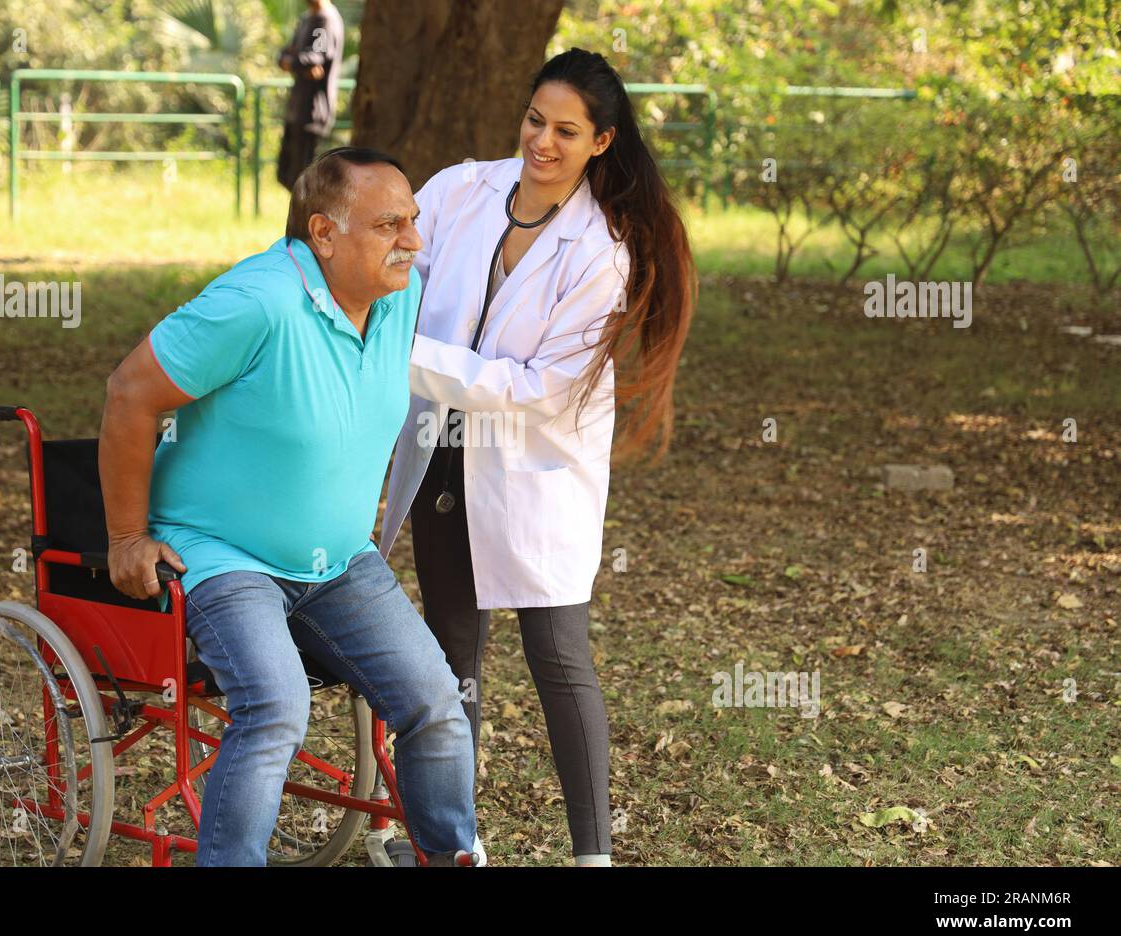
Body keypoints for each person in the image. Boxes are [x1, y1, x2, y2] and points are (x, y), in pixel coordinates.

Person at [99, 146, 479, 867]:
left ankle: (446, 856)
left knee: (437, 701)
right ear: (324, 233)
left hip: (338, 559)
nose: (414, 241)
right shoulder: (257, 302)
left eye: (415, 221)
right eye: (390, 225)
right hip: (222, 554)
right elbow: (129, 392)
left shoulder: (400, 296)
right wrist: (126, 536)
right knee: (276, 706)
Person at [379, 48, 697, 867]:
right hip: (442, 452)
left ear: (601, 142)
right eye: (534, 120)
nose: (542, 143)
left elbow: (536, 389)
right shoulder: (460, 189)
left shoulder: (602, 250)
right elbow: (389, 264)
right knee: (452, 662)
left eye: (566, 130)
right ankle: (452, 844)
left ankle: (594, 856)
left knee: (558, 655)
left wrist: (403, 357)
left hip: (534, 466)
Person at [276, 0, 346, 191]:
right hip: (296, 110)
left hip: (313, 113)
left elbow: (315, 59)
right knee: (286, 175)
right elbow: (284, 55)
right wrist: (295, 62)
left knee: (307, 184)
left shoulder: (326, 20)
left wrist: (293, 62)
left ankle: (308, 220)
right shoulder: (307, 18)